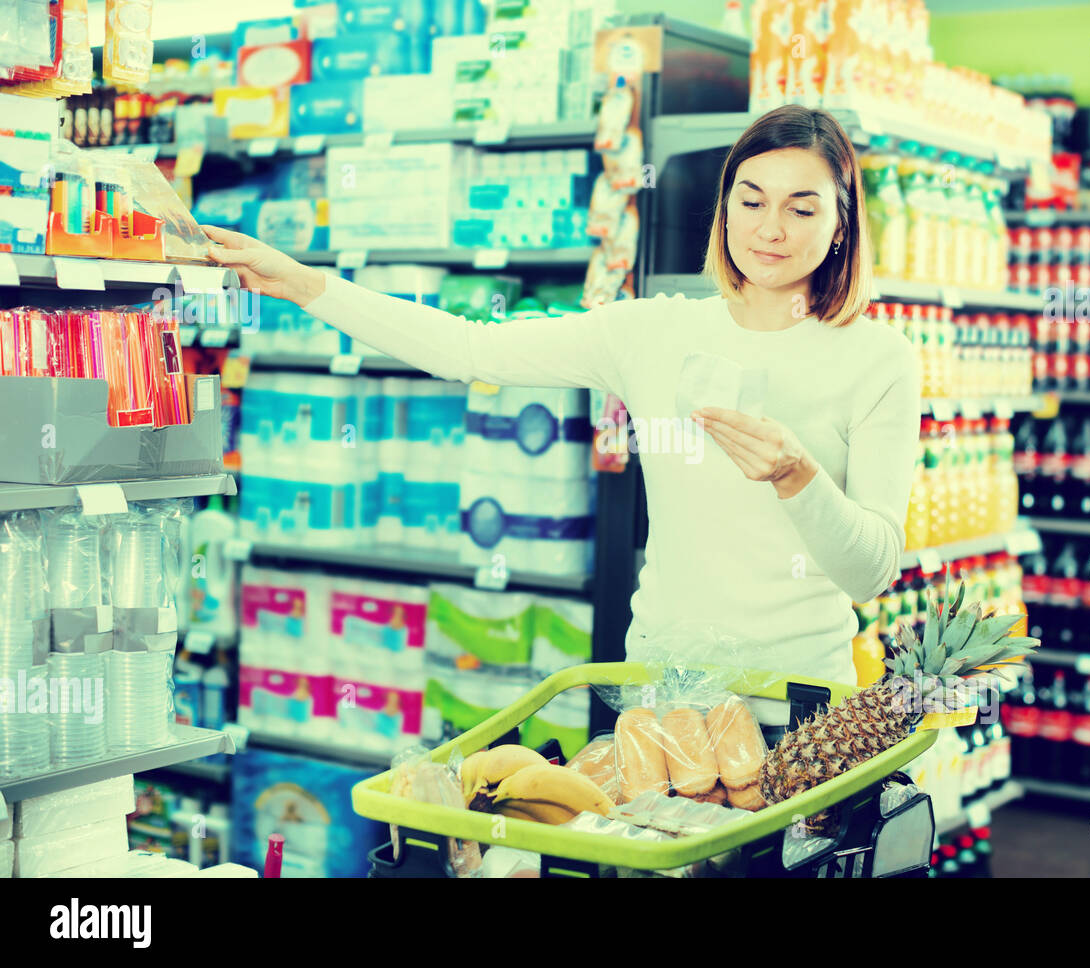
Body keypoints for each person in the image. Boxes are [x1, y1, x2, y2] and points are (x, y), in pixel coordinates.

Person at [202, 105, 920, 726]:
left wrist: (798, 479)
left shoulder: (879, 359)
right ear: (724, 206)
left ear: (840, 223)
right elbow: (468, 347)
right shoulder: (651, 333)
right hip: (666, 695)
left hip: (801, 706)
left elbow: (872, 571)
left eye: (802, 207)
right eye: (750, 199)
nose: (770, 227)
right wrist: (306, 284)